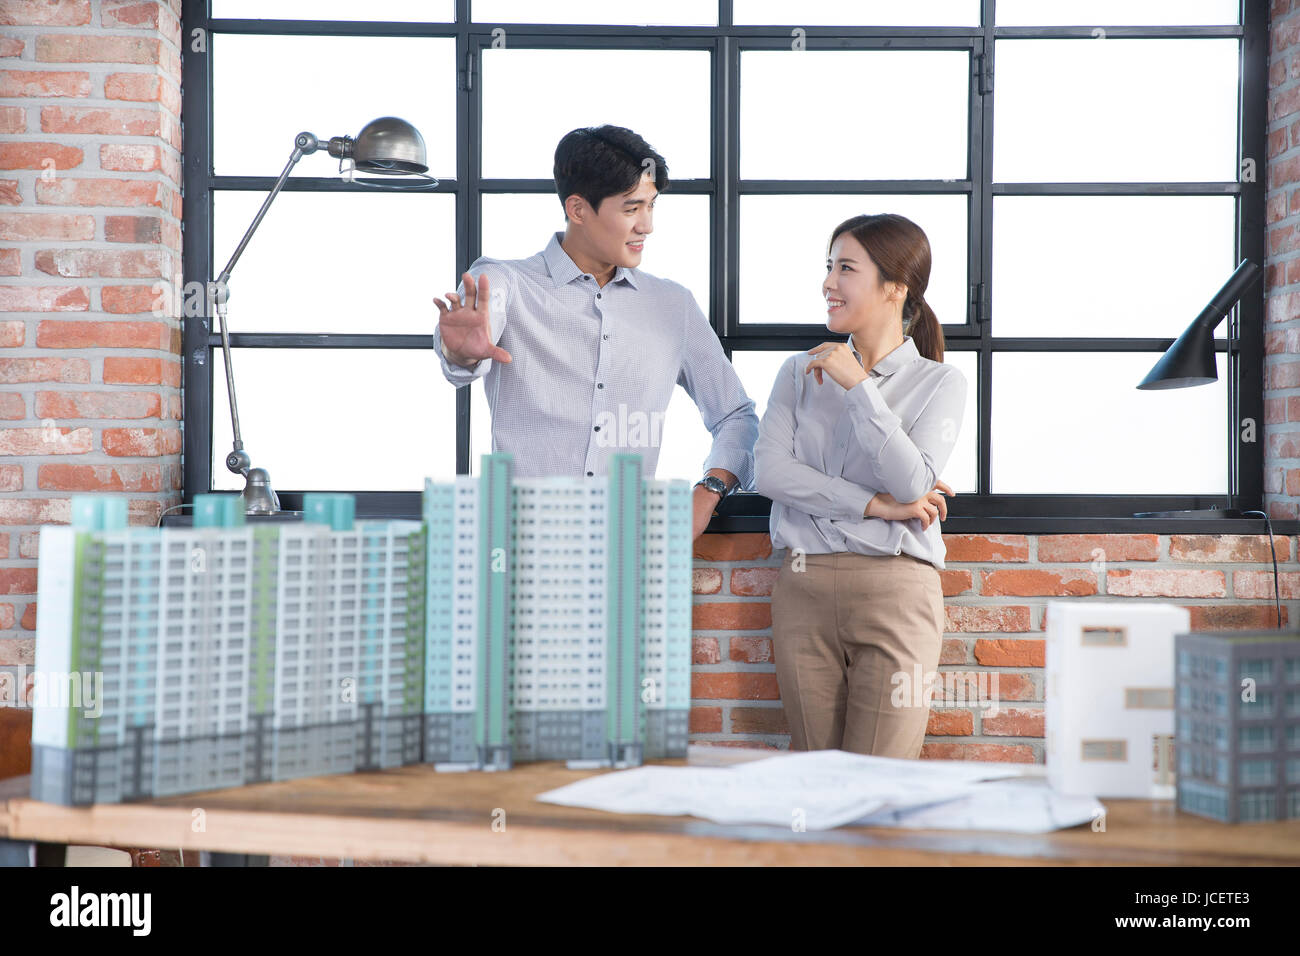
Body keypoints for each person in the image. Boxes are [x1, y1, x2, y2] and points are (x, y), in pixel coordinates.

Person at [432, 124, 758, 539]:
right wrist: (462, 354)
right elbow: (464, 353)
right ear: (578, 209)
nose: (647, 226)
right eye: (631, 209)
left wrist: (708, 491)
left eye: (651, 206)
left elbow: (735, 415)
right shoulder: (503, 283)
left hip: (629, 557)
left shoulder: (673, 306)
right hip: (518, 553)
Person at [754, 213, 967, 758]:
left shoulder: (941, 383)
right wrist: (876, 506)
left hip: (896, 592)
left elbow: (914, 480)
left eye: (845, 268)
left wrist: (858, 387)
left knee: (880, 786)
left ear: (896, 287)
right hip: (803, 588)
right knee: (819, 781)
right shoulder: (796, 373)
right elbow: (770, 474)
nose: (828, 283)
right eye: (828, 267)